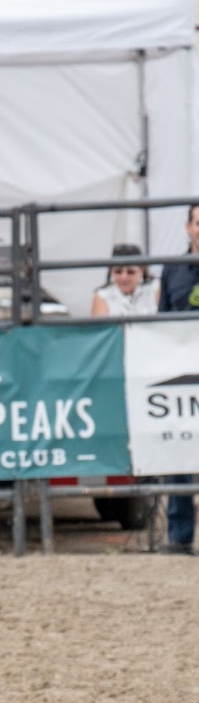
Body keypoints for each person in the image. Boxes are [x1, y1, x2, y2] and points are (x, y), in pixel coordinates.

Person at [159, 204, 199, 554]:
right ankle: (180, 533)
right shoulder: (172, 269)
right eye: (198, 223)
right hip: (182, 371)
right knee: (179, 445)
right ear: (188, 227)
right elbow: (160, 322)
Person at [90, 242, 159, 317]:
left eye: (130, 272)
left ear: (141, 271)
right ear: (111, 271)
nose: (124, 277)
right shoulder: (102, 295)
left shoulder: (155, 288)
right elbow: (101, 324)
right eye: (118, 271)